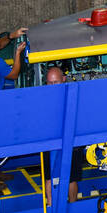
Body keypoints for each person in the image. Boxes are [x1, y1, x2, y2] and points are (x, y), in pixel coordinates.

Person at [43, 66, 85, 201]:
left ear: (64, 79)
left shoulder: (73, 95)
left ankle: (73, 205)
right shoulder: (43, 99)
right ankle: (50, 205)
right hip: (51, 143)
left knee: (71, 179)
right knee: (49, 177)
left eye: (56, 82)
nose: (53, 86)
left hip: (71, 143)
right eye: (50, 83)